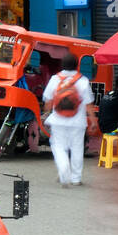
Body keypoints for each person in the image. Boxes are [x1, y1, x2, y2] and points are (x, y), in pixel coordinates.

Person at [42, 53, 96, 188]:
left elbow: (48, 102)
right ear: (77, 65)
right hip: (78, 122)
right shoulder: (83, 81)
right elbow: (88, 104)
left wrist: (47, 112)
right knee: (77, 148)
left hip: (58, 121)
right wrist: (93, 121)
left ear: (62, 64)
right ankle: (76, 178)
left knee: (59, 147)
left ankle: (64, 170)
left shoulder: (55, 79)